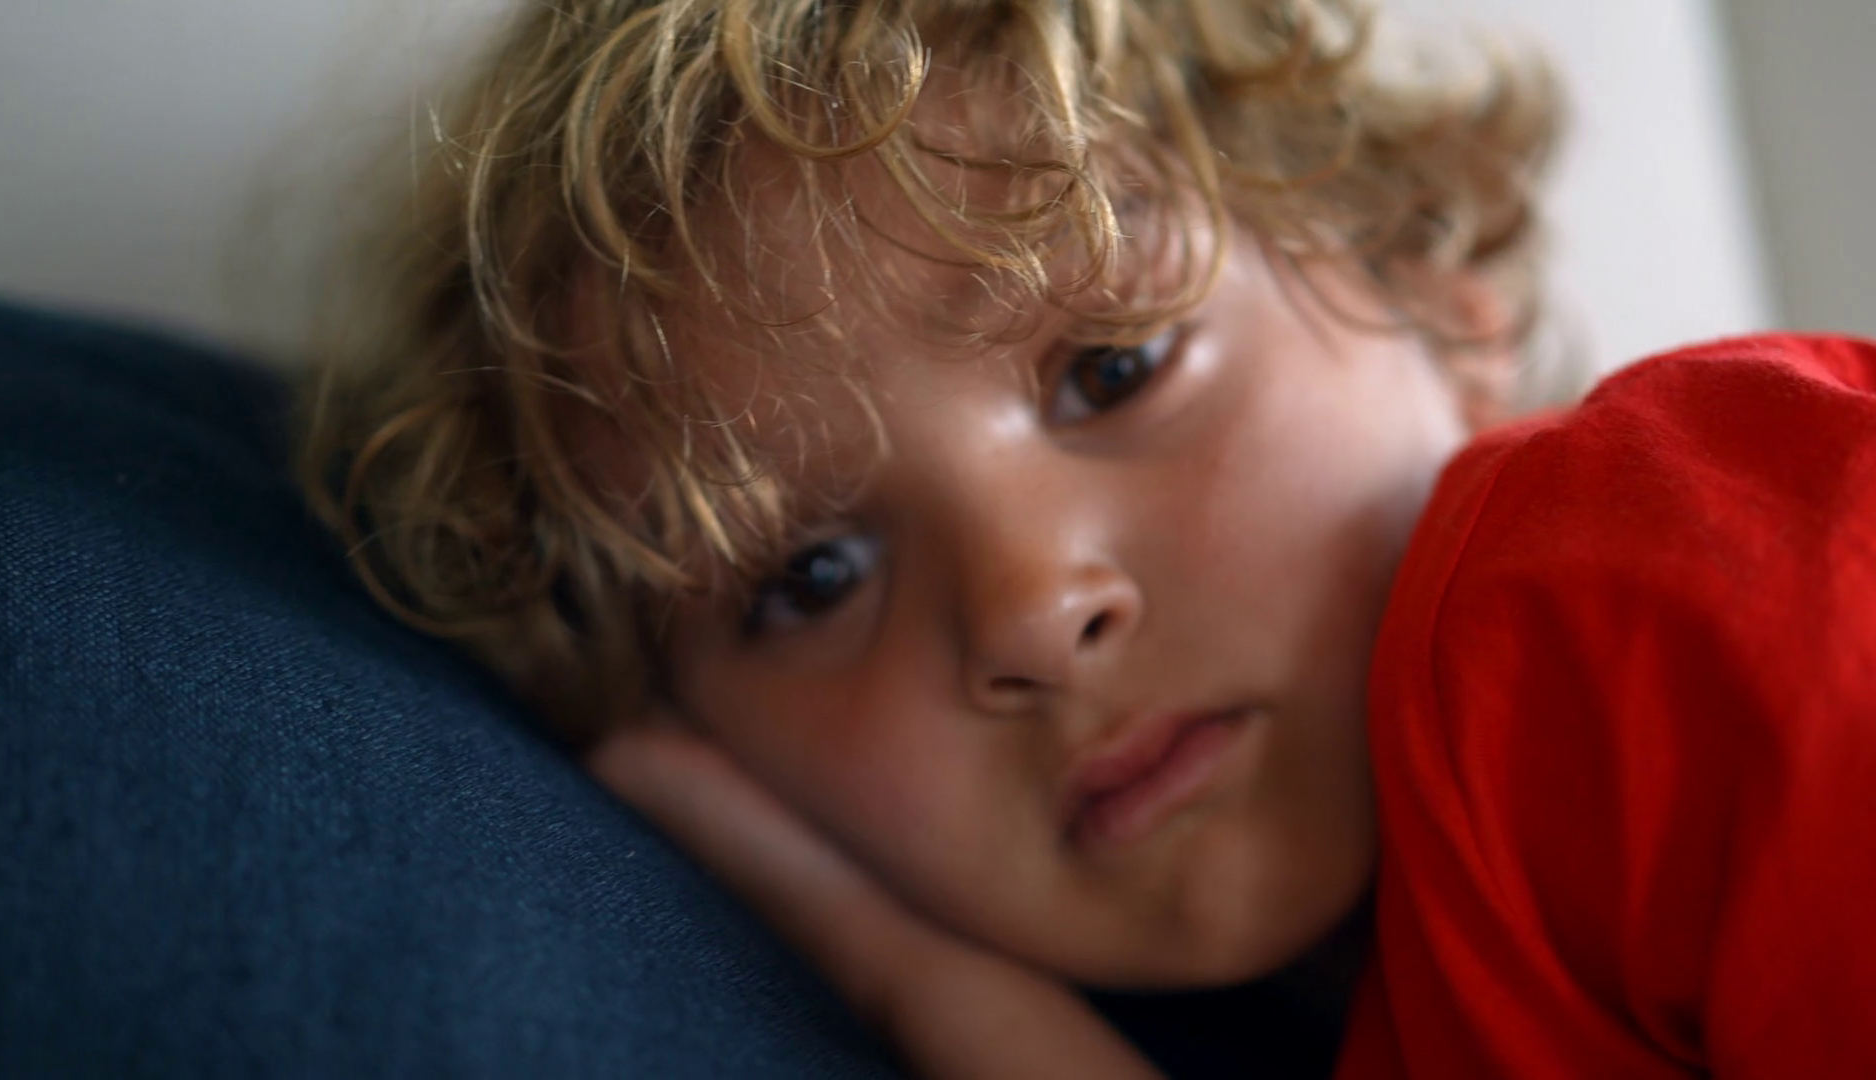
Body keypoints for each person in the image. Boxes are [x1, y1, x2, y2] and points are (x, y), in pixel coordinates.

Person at [298, 0, 1876, 1076]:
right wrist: (918, 984)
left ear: (1426, 277)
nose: (1035, 611)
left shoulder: (1652, 557)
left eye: (1114, 368)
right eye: (810, 579)